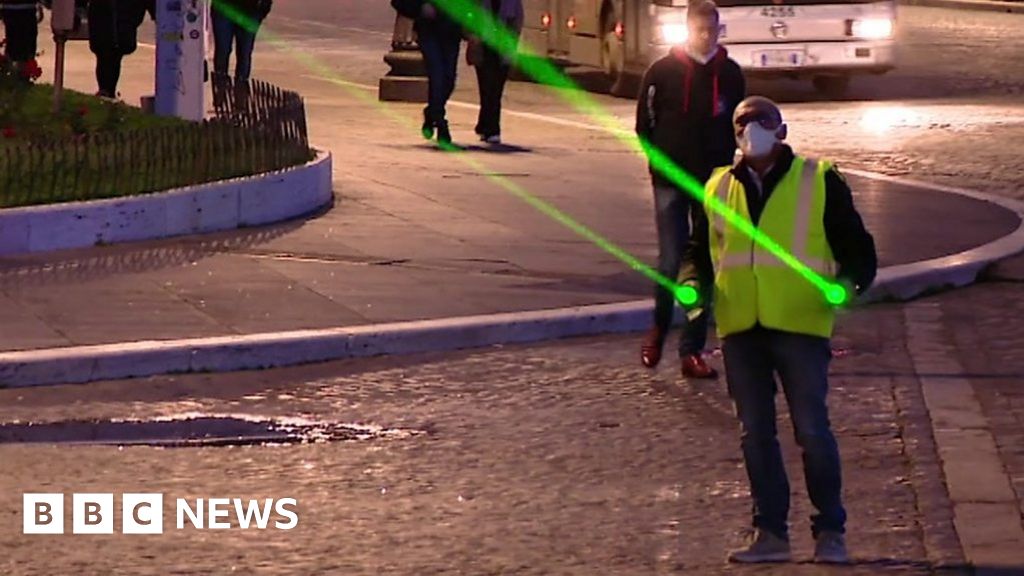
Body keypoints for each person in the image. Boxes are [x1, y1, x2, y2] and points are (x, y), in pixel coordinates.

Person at [690, 96, 877, 564]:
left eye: (762, 121)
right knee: (755, 434)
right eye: (742, 123)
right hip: (740, 325)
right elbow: (700, 251)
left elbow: (857, 247)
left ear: (782, 130)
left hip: (800, 322)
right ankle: (770, 533)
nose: (751, 129)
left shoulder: (818, 179)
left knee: (812, 430)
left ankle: (830, 531)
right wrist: (692, 286)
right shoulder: (716, 186)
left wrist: (847, 286)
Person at [634, 0, 744, 378]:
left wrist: (727, 165)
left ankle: (691, 349)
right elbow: (644, 124)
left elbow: (737, 123)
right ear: (688, 29)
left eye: (711, 30)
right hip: (670, 180)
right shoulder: (661, 72)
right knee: (670, 260)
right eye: (699, 30)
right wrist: (659, 162)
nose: (705, 36)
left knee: (704, 263)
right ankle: (658, 329)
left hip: (712, 181)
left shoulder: (730, 73)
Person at [467, 0, 522, 144]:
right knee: (486, 88)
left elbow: (517, 21)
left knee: (496, 89)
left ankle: (486, 125)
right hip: (483, 47)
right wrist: (472, 35)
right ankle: (491, 128)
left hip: (502, 49)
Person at [87, 0, 150, 99]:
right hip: (108, 17)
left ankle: (106, 90)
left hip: (119, 17)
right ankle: (106, 90)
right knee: (107, 55)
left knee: (110, 55)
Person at [211, 0, 272, 82]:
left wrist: (264, 6)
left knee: (244, 52)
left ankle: (241, 85)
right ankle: (221, 84)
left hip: (250, 10)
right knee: (223, 50)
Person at [1, 0, 39, 65]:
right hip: (27, 9)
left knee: (13, 44)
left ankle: (13, 65)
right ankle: (24, 66)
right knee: (27, 46)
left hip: (10, 8)